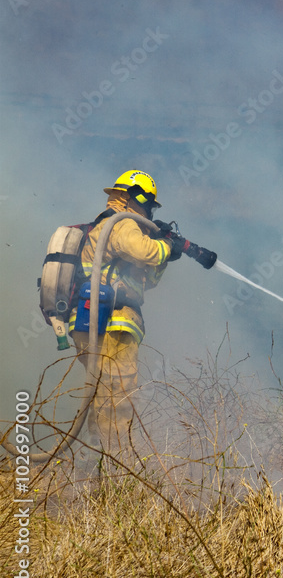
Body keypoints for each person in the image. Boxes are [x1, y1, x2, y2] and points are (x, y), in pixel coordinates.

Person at [68, 170, 183, 457]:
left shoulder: (108, 226)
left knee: (102, 391)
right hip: (112, 321)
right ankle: (117, 462)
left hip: (93, 321)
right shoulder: (121, 224)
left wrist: (167, 255)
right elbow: (145, 251)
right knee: (119, 393)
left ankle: (95, 459)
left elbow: (147, 279)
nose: (149, 213)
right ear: (136, 199)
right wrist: (168, 246)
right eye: (149, 206)